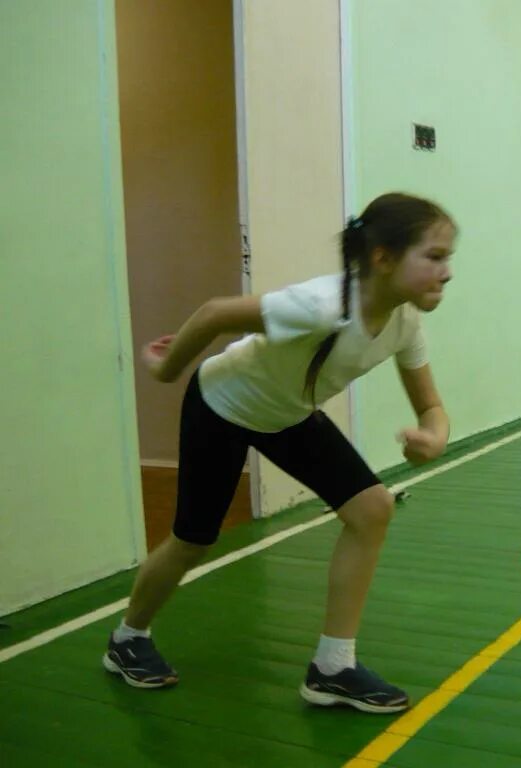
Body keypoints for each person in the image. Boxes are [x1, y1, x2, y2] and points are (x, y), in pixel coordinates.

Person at [103, 192, 456, 713]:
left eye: (448, 258)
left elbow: (432, 407)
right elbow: (215, 314)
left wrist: (435, 435)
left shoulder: (404, 324)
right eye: (434, 256)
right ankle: (128, 638)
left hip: (287, 415)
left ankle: (333, 668)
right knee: (192, 539)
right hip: (221, 404)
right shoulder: (320, 305)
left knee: (371, 510)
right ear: (382, 258)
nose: (446, 272)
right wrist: (167, 369)